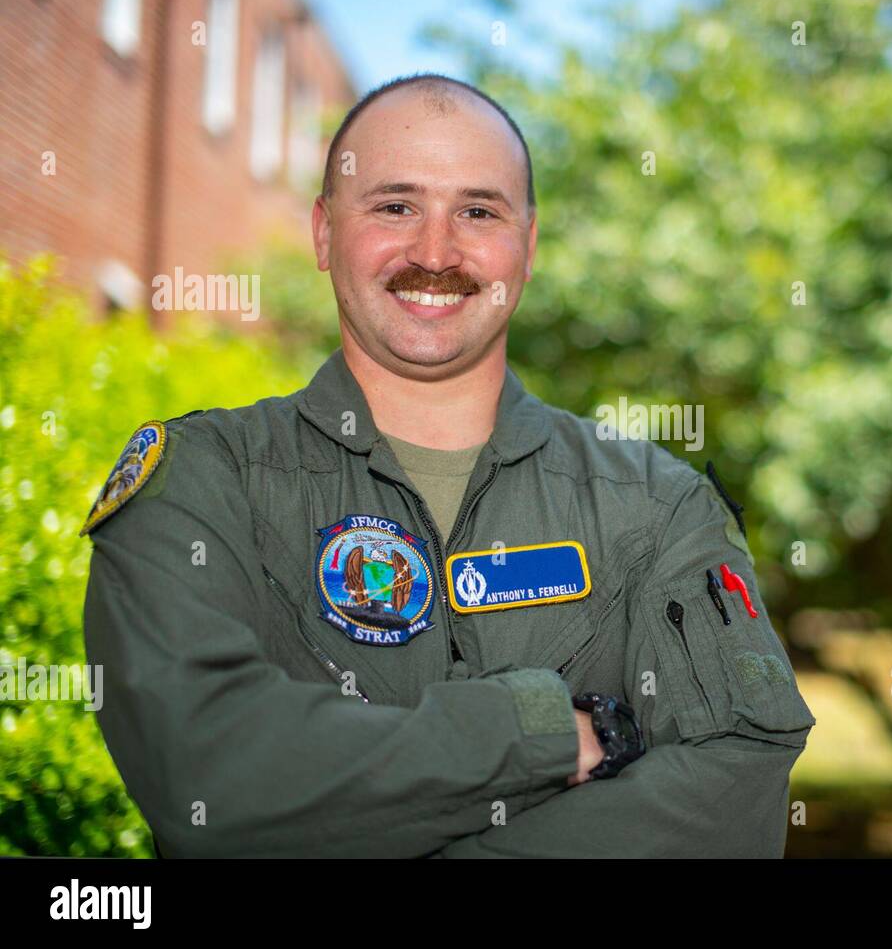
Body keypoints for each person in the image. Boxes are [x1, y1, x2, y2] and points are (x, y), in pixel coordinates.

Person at [80, 73, 816, 858]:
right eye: (395, 206)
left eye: (478, 212)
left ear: (528, 248)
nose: (434, 253)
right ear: (324, 233)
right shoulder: (203, 481)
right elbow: (207, 773)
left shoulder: (661, 506)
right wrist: (535, 733)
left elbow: (732, 799)